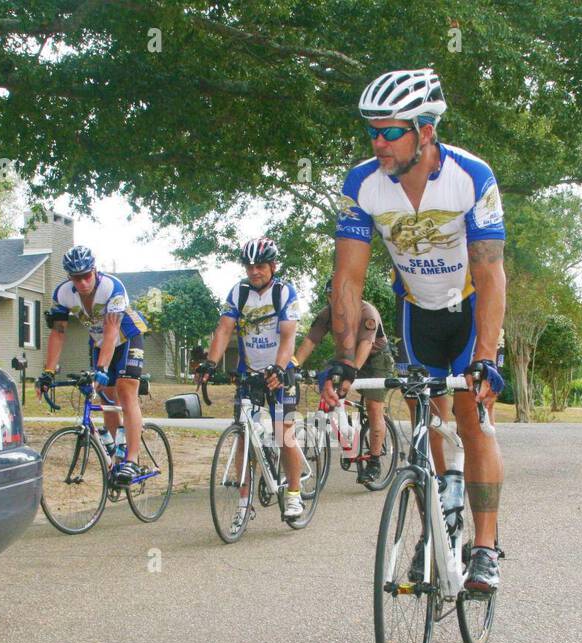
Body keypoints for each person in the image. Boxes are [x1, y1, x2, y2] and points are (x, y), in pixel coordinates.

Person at [329, 68, 507, 593]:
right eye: (372, 132)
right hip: (417, 313)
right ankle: (438, 520)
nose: (378, 142)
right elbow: (348, 277)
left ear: (425, 130)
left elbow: (491, 272)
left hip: (469, 311)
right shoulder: (361, 184)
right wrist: (344, 358)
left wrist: (487, 355)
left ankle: (485, 547)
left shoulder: (471, 176)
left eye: (390, 131)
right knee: (428, 416)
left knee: (473, 423)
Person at [197, 237, 304, 523]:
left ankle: (294, 494)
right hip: (249, 373)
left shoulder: (284, 293)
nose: (254, 271)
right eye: (249, 266)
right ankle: (244, 504)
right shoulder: (239, 292)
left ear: (272, 266)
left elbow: (288, 336)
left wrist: (279, 369)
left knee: (284, 433)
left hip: (280, 373)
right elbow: (223, 330)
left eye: (260, 266)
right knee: (243, 436)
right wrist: (210, 362)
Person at [38, 245, 149, 485]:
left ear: (95, 271)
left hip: (127, 336)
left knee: (126, 390)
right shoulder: (63, 294)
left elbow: (112, 331)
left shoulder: (112, 288)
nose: (83, 282)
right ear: (69, 277)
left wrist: (100, 369)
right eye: (77, 278)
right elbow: (58, 332)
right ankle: (115, 456)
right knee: (106, 398)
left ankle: (131, 459)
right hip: (99, 342)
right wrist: (47, 372)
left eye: (87, 275)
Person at [293, 277, 394, 484]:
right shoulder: (327, 313)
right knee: (326, 377)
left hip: (375, 358)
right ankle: (342, 421)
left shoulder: (367, 312)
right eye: (330, 297)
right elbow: (311, 339)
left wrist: (352, 371)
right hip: (346, 356)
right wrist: (293, 364)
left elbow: (366, 344)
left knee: (374, 408)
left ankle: (374, 462)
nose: (334, 301)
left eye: (338, 297)